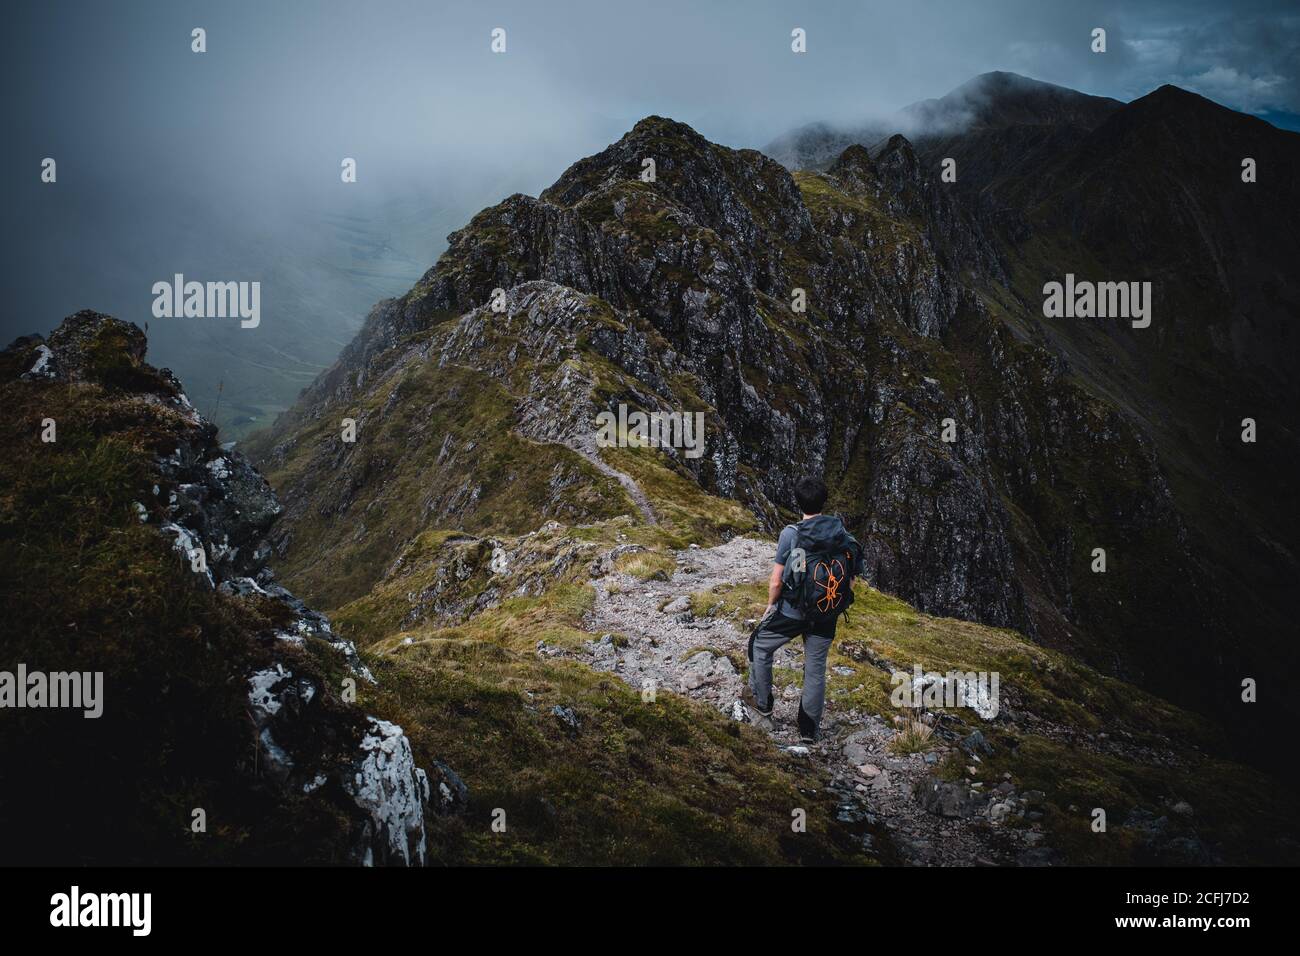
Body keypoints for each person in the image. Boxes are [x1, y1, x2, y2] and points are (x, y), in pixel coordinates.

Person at [743, 476, 861, 743]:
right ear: (824, 501)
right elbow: (851, 578)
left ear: (798, 502)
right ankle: (808, 731)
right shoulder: (841, 533)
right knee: (815, 668)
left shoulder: (791, 534)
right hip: (826, 612)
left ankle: (763, 706)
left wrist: (771, 605)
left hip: (793, 611)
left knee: (759, 647)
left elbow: (776, 580)